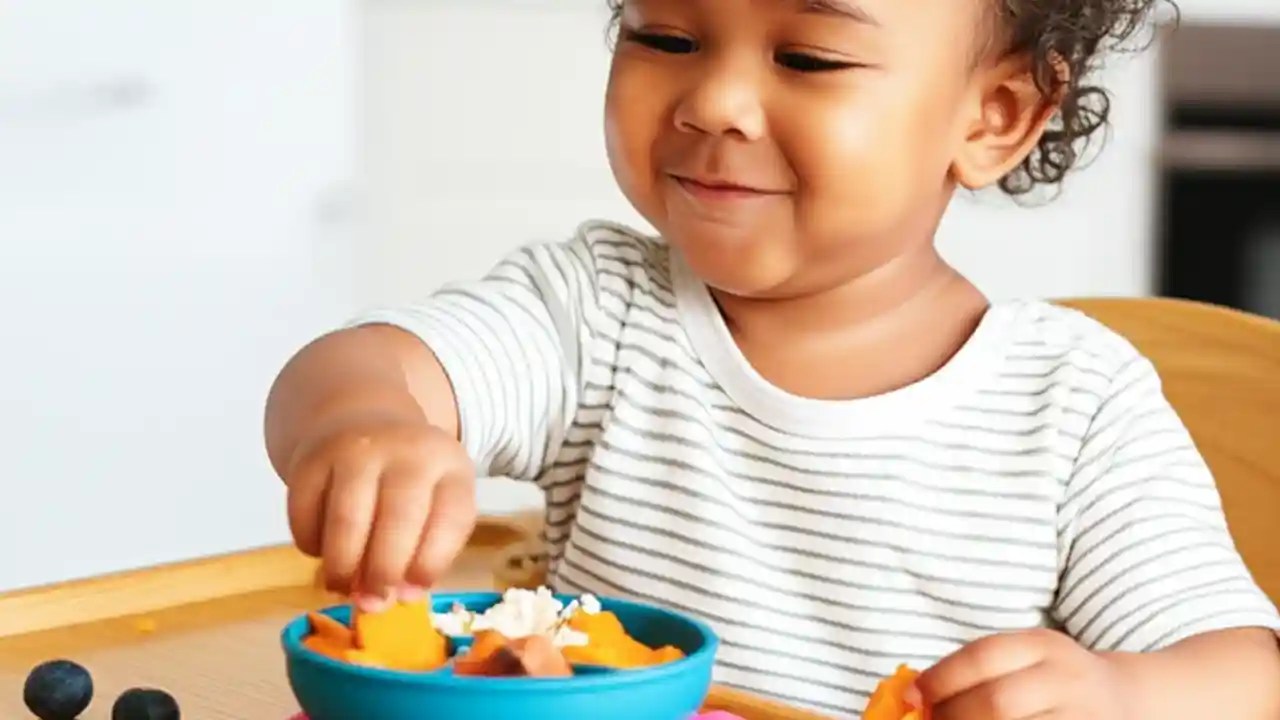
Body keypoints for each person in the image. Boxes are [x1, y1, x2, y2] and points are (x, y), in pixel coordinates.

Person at [263, 0, 1280, 717]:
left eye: (807, 58)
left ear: (994, 116)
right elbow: (368, 364)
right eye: (664, 35)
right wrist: (366, 424)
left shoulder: (1071, 406)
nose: (715, 102)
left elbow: (1242, 676)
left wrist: (1117, 696)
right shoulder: (596, 310)